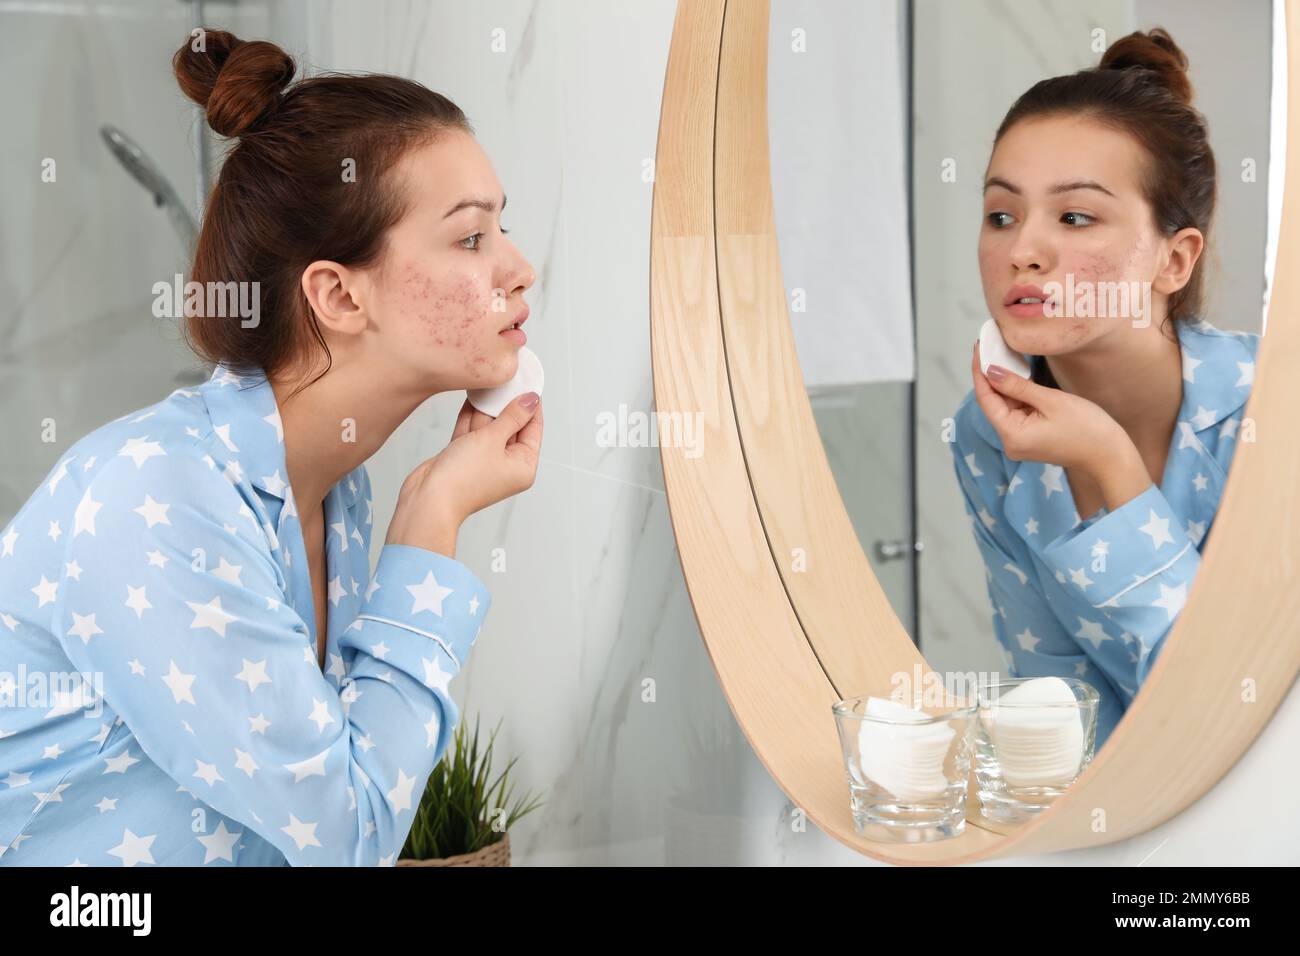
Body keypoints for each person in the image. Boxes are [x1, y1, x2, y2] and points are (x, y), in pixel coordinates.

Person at [0, 29, 542, 866]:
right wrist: (434, 517)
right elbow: (347, 837)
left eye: (502, 229)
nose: (517, 269)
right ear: (337, 293)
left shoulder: (333, 493)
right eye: (471, 238)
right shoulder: (161, 499)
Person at [951, 28, 1259, 750]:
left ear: (1174, 260)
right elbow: (1058, 712)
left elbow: (1239, 715)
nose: (1022, 250)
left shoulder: (1274, 407)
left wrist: (1111, 467)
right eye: (1002, 214)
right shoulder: (987, 434)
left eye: (1075, 217)